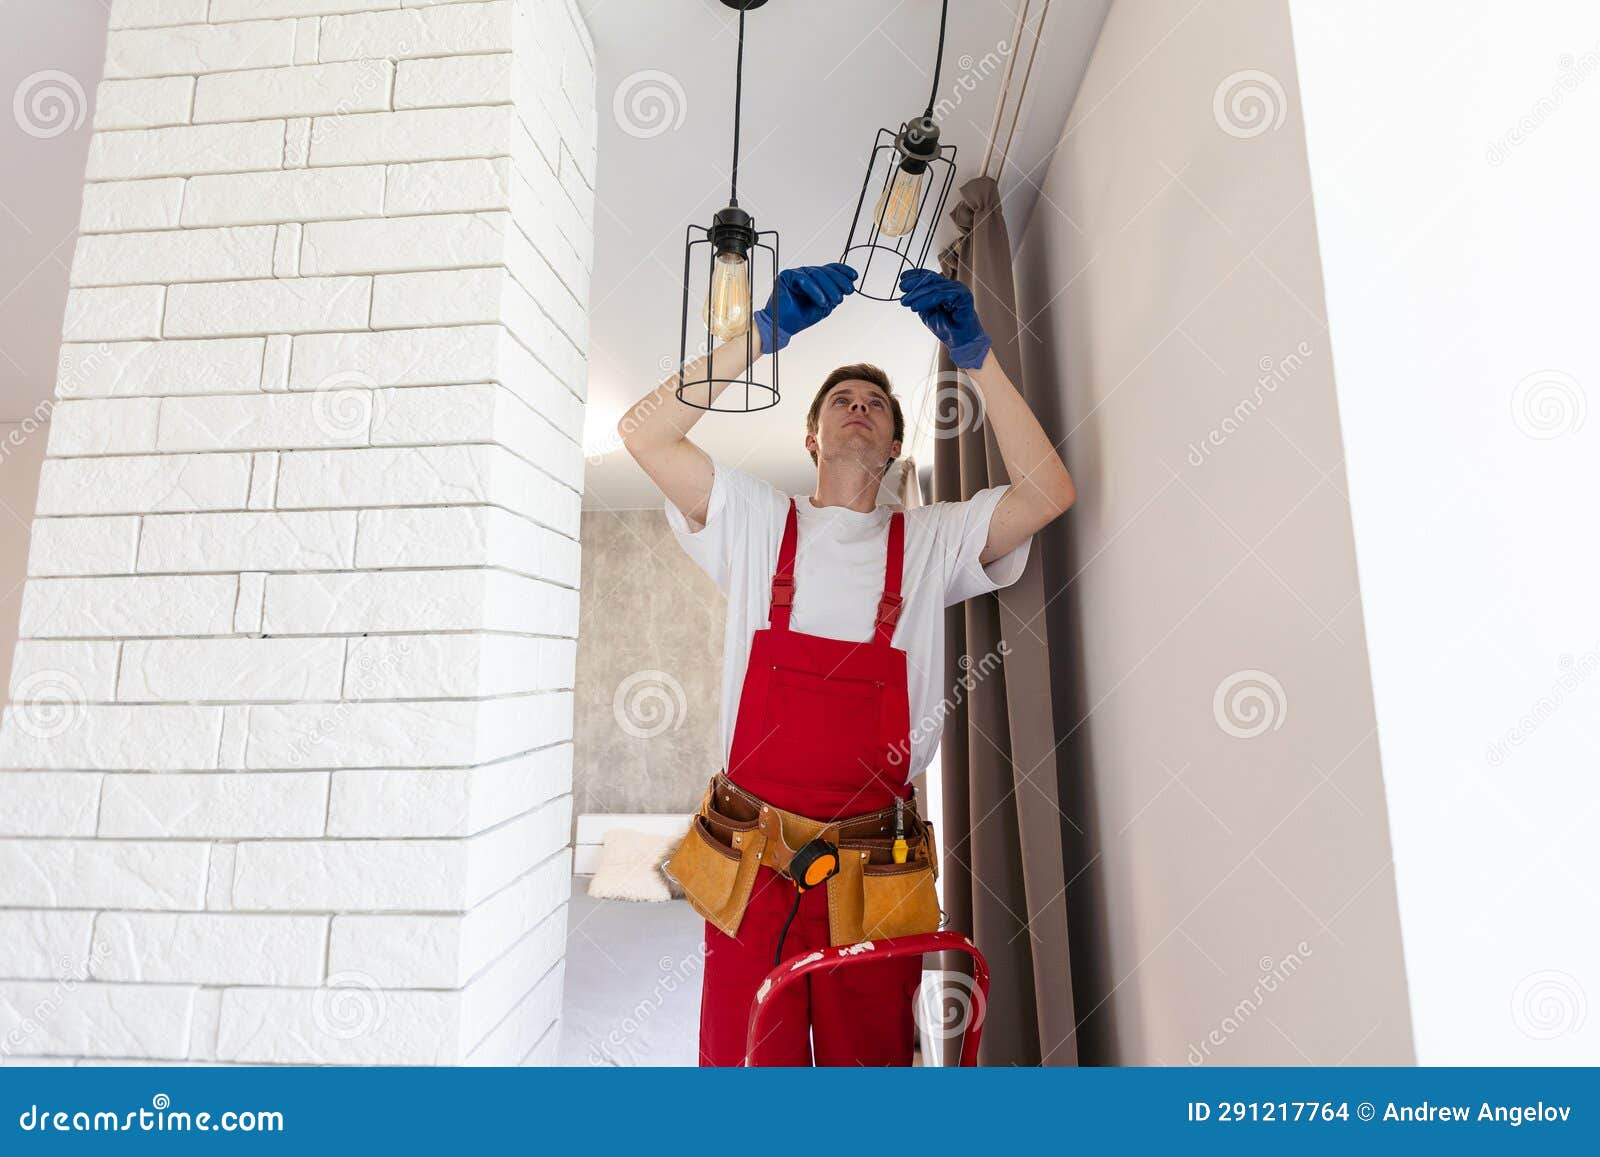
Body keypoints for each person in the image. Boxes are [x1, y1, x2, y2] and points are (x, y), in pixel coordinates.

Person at [618, 262, 1075, 1065]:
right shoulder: (756, 521)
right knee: (743, 1071)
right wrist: (758, 334)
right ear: (812, 436)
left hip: (875, 872)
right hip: (748, 862)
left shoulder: (932, 541)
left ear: (896, 444)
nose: (858, 410)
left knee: (870, 1081)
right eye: (841, 402)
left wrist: (978, 357)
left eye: (875, 405)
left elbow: (1048, 492)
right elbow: (643, 432)